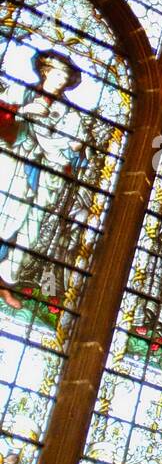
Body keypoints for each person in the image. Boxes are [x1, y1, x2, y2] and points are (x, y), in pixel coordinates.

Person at [0, 50, 84, 308]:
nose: (61, 79)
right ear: (46, 71)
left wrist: (67, 150)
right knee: (3, 220)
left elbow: (76, 151)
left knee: (29, 233)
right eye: (57, 73)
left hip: (43, 176)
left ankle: (4, 282)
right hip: (10, 163)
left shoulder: (70, 115)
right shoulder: (20, 92)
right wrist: (23, 111)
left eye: (66, 76)